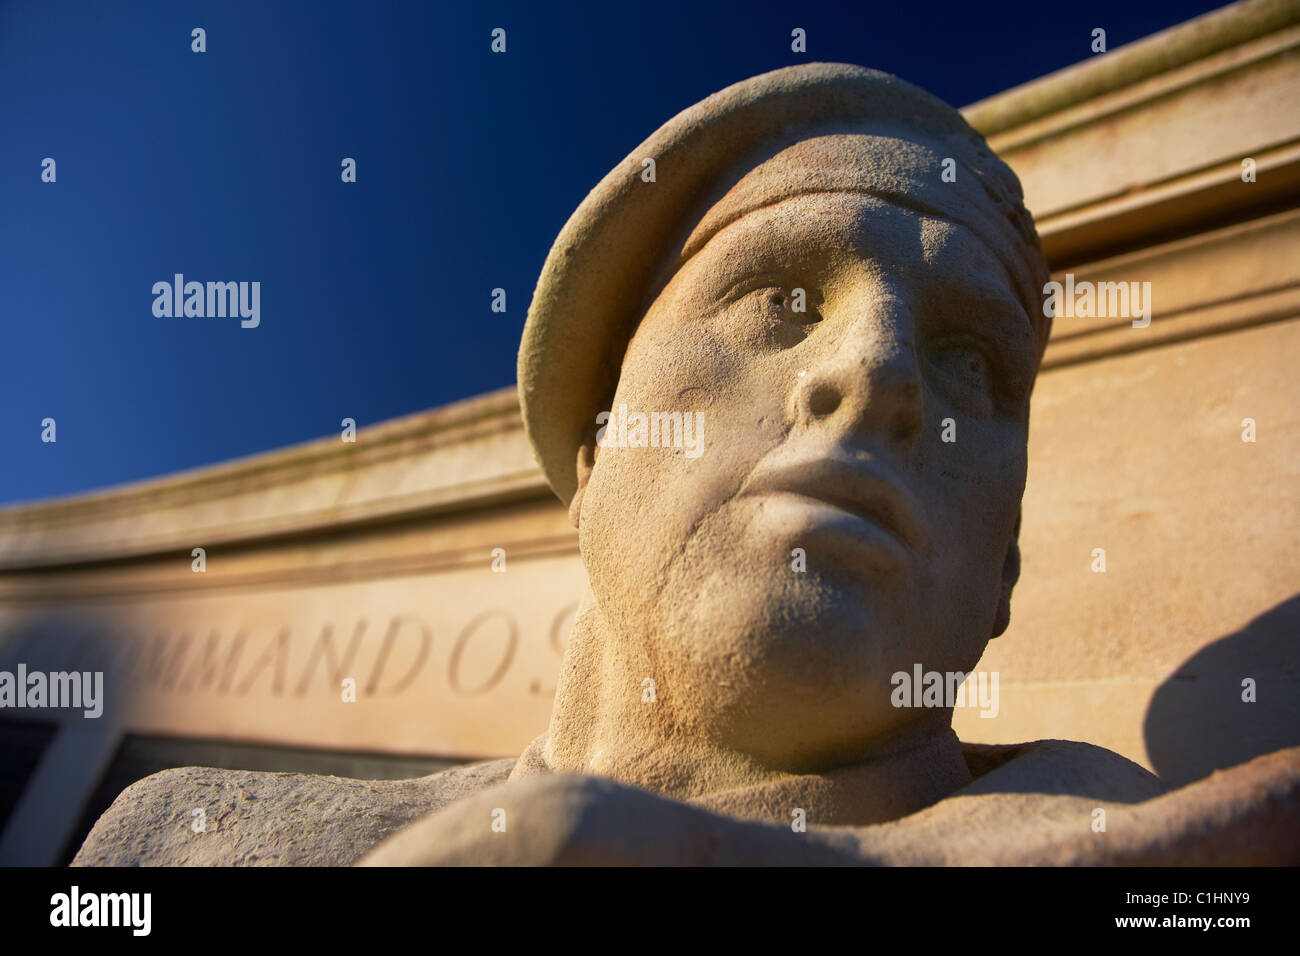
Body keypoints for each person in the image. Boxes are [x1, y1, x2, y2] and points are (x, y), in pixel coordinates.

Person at [76, 63, 1299, 867]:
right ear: (603, 441)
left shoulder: (1131, 838)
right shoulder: (184, 842)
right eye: (781, 294)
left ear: (1006, 574)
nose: (879, 374)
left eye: (972, 361)